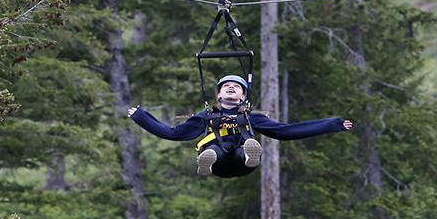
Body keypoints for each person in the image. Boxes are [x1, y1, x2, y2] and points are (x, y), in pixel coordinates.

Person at [128, 75, 353, 178]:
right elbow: (173, 133)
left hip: (242, 163)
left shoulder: (252, 118)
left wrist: (332, 124)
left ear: (243, 95)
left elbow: (287, 132)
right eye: (226, 86)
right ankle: (206, 162)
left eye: (236, 86)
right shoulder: (205, 116)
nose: (230, 88)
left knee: (241, 149)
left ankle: (249, 156)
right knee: (214, 150)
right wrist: (142, 116)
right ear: (218, 94)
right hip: (218, 163)